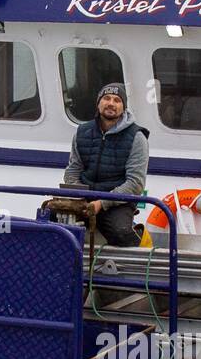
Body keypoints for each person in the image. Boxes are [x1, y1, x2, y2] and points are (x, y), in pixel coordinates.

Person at [63, 82, 149, 246]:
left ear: (123, 108)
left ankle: (139, 253)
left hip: (118, 202)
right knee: (51, 221)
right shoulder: (82, 132)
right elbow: (73, 170)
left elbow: (135, 183)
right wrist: (79, 196)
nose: (111, 103)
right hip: (84, 198)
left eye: (117, 100)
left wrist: (101, 203)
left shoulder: (137, 137)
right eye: (106, 98)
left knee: (121, 233)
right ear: (98, 103)